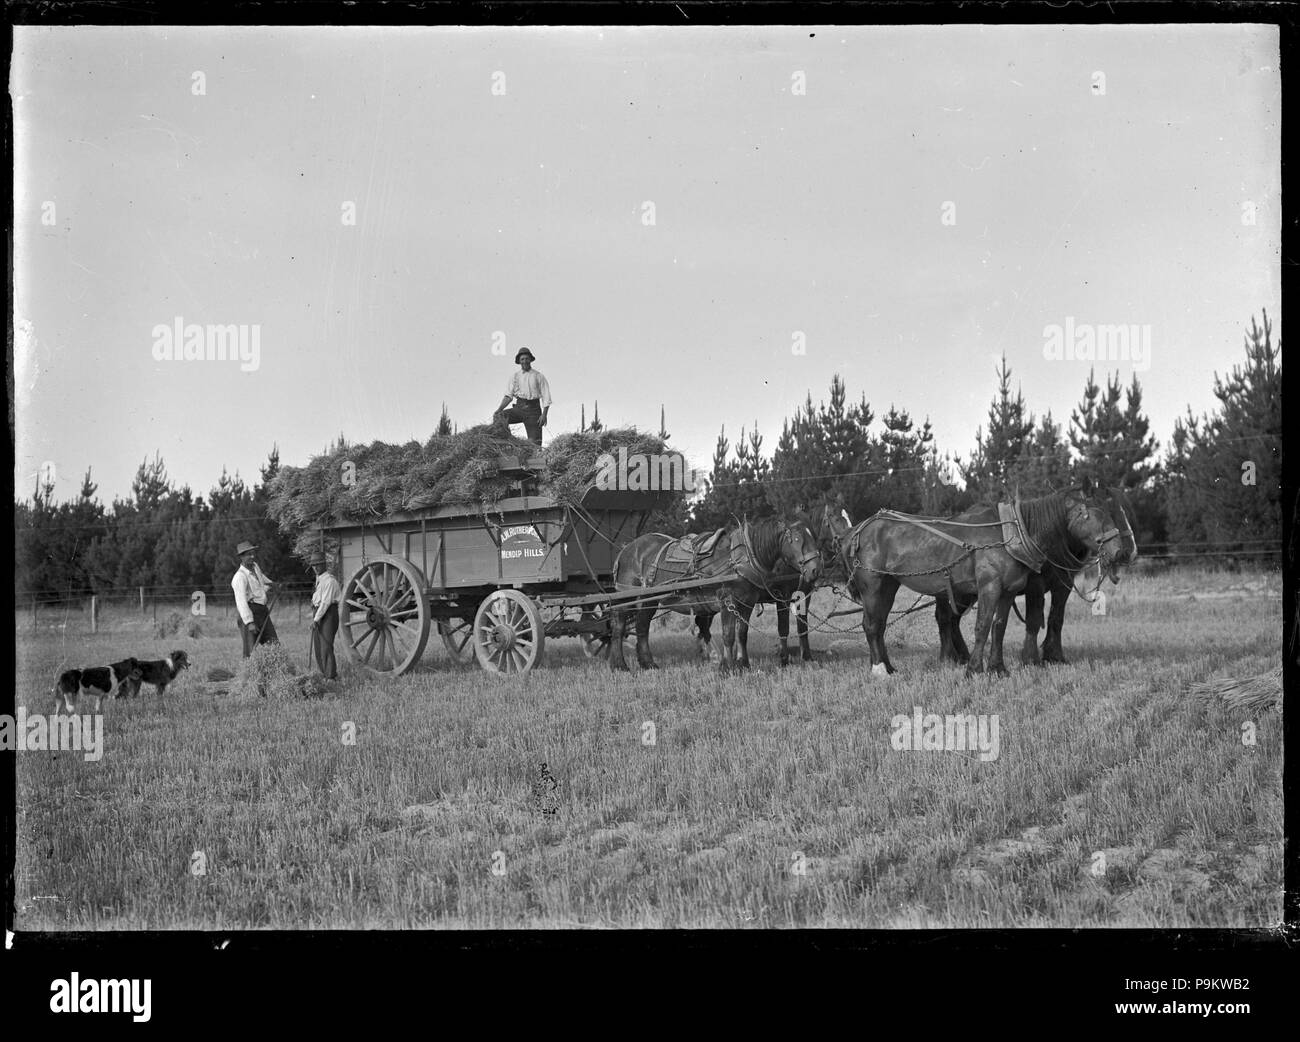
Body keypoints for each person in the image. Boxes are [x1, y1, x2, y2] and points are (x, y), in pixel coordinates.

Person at [494, 347, 551, 446]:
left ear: (530, 360)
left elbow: (546, 396)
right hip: (519, 409)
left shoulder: (538, 376)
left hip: (533, 411)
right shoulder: (515, 376)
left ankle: (536, 457)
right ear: (519, 362)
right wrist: (499, 409)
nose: (524, 361)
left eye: (526, 359)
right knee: (500, 416)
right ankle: (508, 442)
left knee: (535, 444)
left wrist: (544, 415)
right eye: (522, 359)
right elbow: (508, 396)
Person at [232, 540, 278, 656]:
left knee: (273, 645)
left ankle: (276, 671)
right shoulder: (239, 577)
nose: (252, 556)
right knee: (251, 650)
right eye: (248, 554)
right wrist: (249, 622)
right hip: (249, 612)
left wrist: (272, 584)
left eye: (253, 553)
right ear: (241, 557)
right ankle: (248, 673)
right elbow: (241, 602)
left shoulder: (255, 567)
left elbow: (261, 578)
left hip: (262, 611)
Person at [308, 550, 341, 680]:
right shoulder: (319, 580)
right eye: (314, 565)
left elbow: (326, 603)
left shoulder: (329, 581)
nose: (315, 568)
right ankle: (324, 674)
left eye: (318, 565)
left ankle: (331, 677)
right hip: (319, 613)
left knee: (326, 646)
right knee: (318, 646)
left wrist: (316, 620)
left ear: (325, 565)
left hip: (328, 614)